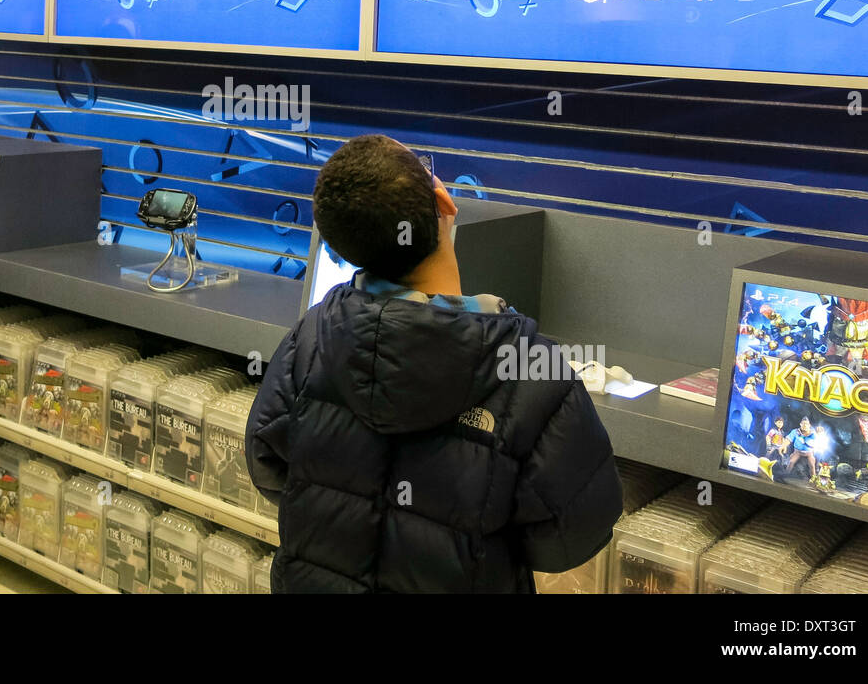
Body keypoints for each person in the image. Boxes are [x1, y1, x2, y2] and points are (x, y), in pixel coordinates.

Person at [246, 133, 622, 593]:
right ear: (444, 200)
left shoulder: (309, 339)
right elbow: (573, 536)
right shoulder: (530, 369)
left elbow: (268, 464)